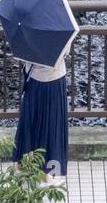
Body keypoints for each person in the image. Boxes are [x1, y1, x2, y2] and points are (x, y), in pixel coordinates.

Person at [13, 36, 69, 185]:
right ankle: (48, 173)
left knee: (30, 123)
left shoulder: (27, 26)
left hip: (34, 79)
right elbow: (64, 52)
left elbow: (23, 52)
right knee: (52, 126)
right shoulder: (61, 27)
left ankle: (22, 167)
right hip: (54, 80)